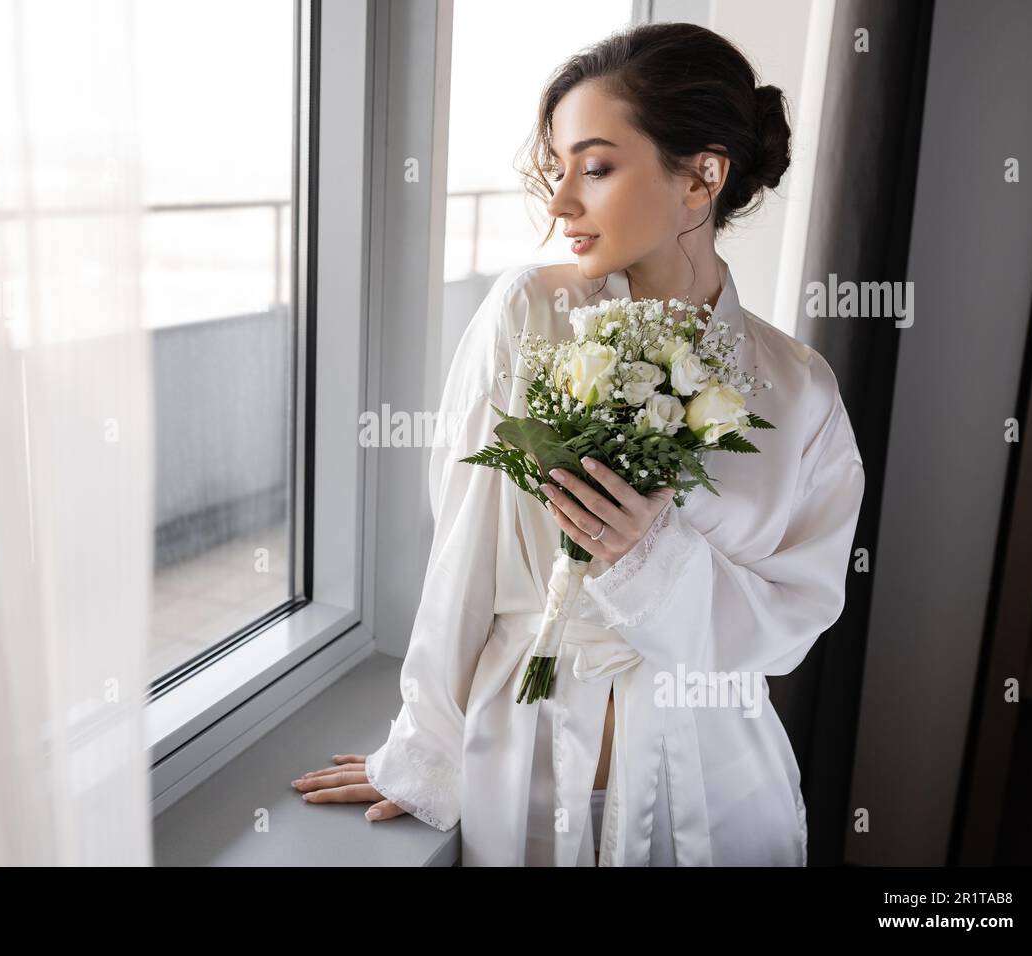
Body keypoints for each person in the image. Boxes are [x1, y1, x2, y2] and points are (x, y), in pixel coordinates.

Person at [292, 21, 865, 866]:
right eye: (558, 170)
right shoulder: (528, 313)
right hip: (525, 768)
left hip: (717, 787)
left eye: (594, 168)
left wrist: (652, 554)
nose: (560, 203)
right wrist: (422, 751)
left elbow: (795, 620)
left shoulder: (801, 385)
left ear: (703, 176)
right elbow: (464, 557)